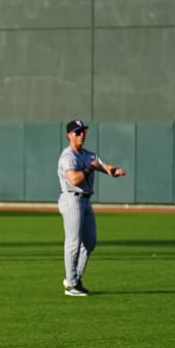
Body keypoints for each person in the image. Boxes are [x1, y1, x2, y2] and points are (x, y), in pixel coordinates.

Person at [58, 119, 127, 297]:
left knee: (89, 241)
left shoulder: (88, 155)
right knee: (73, 242)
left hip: (85, 200)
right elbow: (73, 179)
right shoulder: (67, 156)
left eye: (83, 132)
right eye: (78, 132)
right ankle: (72, 285)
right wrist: (91, 168)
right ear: (69, 135)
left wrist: (114, 170)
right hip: (71, 198)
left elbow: (103, 166)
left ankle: (74, 279)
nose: (82, 135)